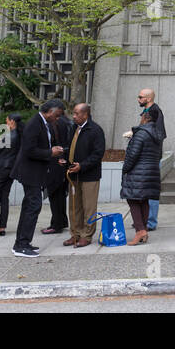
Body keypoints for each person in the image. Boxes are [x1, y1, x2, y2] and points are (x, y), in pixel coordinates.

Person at [12, 99, 65, 257]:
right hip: (30, 173)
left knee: (30, 206)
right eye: (57, 115)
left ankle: (21, 242)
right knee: (33, 207)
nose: (57, 119)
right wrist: (50, 153)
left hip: (35, 172)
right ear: (49, 112)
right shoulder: (35, 123)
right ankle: (22, 244)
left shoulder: (43, 123)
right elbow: (29, 150)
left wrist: (52, 151)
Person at [64, 103, 105, 246]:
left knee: (89, 207)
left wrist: (82, 166)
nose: (73, 116)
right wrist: (64, 158)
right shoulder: (74, 128)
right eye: (73, 113)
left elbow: (98, 154)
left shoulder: (95, 130)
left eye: (76, 114)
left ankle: (86, 236)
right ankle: (75, 233)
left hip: (89, 176)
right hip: (74, 175)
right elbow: (71, 147)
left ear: (85, 115)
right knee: (74, 207)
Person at [120, 104, 162, 246]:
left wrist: (125, 169)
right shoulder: (157, 134)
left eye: (142, 116)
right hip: (151, 171)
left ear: (146, 117)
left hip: (138, 172)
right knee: (143, 200)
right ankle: (144, 231)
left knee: (132, 198)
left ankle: (140, 231)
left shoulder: (141, 133)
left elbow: (132, 156)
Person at [137, 89, 165, 231]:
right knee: (144, 190)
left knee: (151, 190)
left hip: (152, 158)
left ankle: (150, 222)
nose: (138, 99)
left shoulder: (156, 112)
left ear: (148, 98)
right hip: (146, 158)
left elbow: (159, 135)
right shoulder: (147, 112)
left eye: (140, 97)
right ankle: (144, 219)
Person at [41, 108, 72, 237]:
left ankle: (56, 224)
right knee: (60, 194)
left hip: (55, 162)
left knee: (55, 194)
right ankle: (62, 221)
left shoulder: (55, 124)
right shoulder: (68, 123)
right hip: (64, 161)